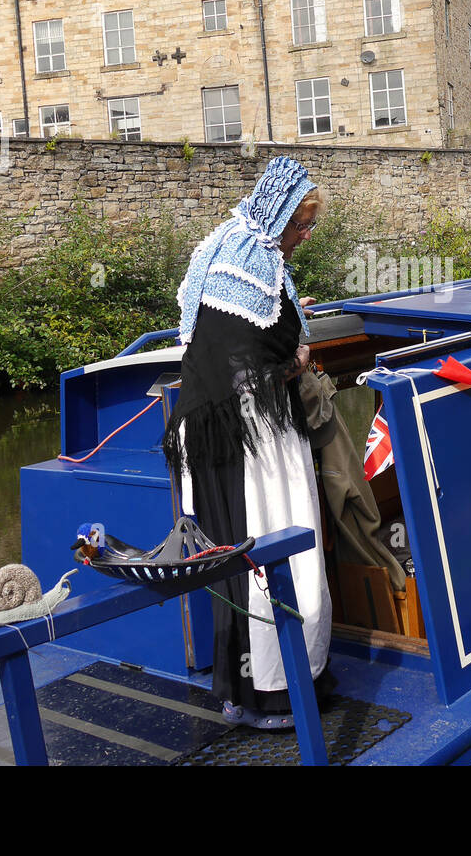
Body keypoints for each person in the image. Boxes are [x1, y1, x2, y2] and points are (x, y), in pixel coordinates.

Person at [162, 156, 332, 730]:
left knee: (230, 564)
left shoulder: (219, 246)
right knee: (279, 558)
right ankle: (281, 692)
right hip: (257, 445)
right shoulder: (261, 263)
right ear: (281, 217)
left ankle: (235, 691)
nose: (305, 239)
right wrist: (301, 357)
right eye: (302, 227)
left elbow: (212, 343)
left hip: (203, 437)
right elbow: (271, 361)